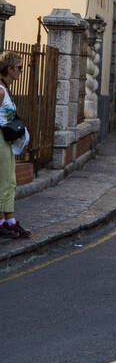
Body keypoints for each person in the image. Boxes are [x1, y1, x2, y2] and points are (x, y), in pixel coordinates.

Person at [0, 51, 32, 239]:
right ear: (9, 69)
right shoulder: (1, 90)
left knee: (10, 180)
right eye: (19, 68)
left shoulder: (5, 88)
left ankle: (9, 220)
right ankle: (3, 222)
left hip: (7, 140)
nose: (21, 71)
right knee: (4, 180)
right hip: (1, 139)